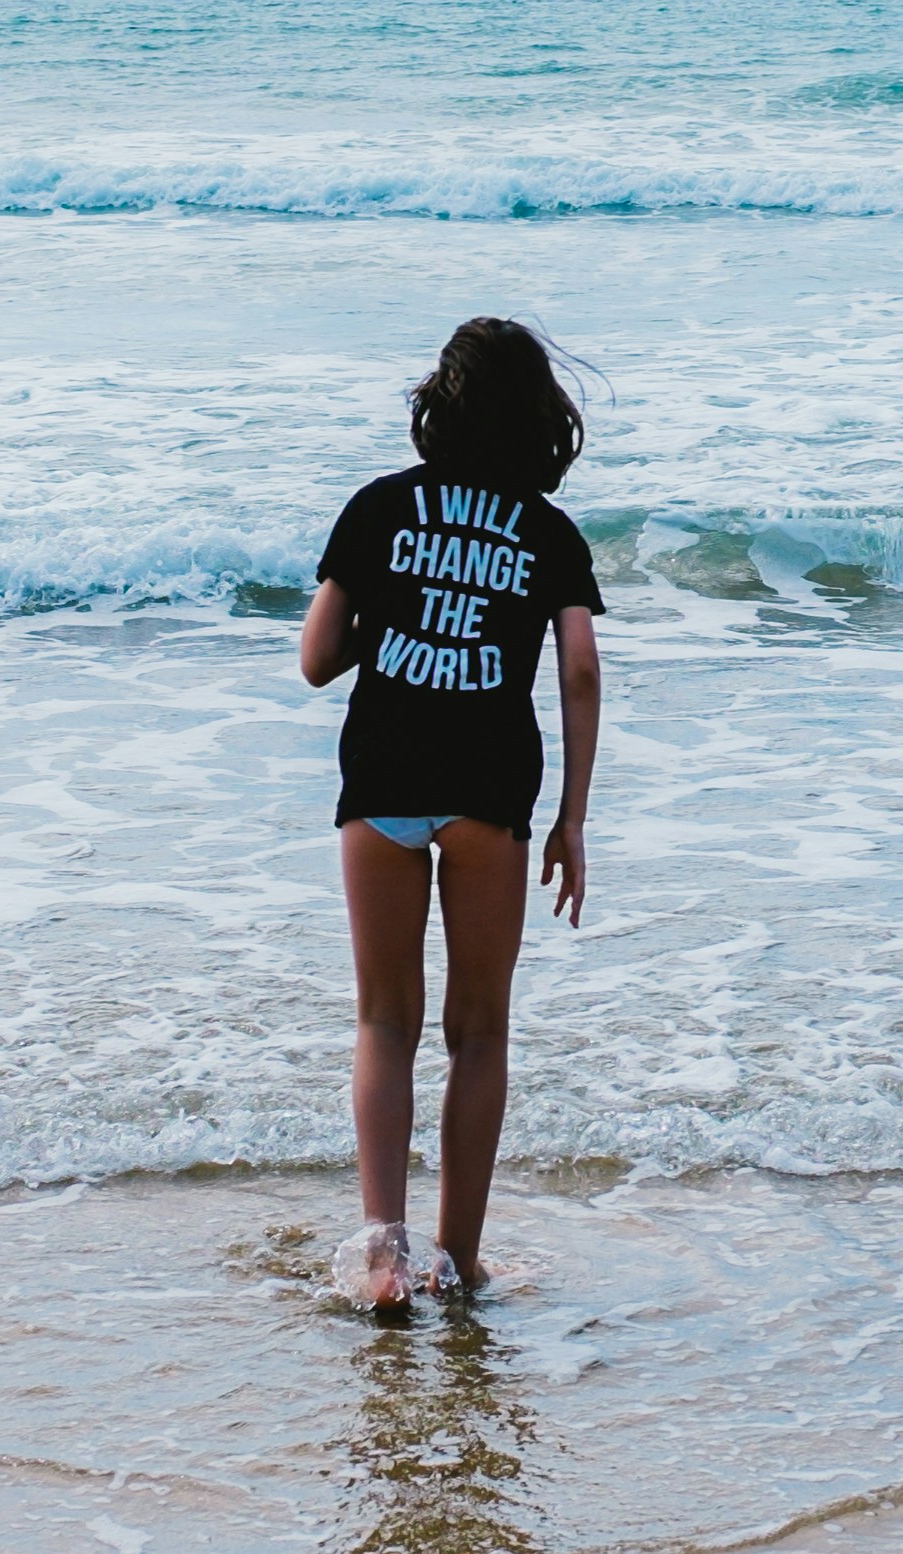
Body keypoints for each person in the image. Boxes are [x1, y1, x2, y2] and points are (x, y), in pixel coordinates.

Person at [302, 318, 603, 1303]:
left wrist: (397, 618)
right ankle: (459, 1260)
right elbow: (581, 667)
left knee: (384, 1020)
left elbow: (315, 657)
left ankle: (383, 1258)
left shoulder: (380, 508)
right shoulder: (546, 532)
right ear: (536, 416)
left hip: (383, 775)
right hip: (489, 787)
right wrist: (572, 815)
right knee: (479, 1031)